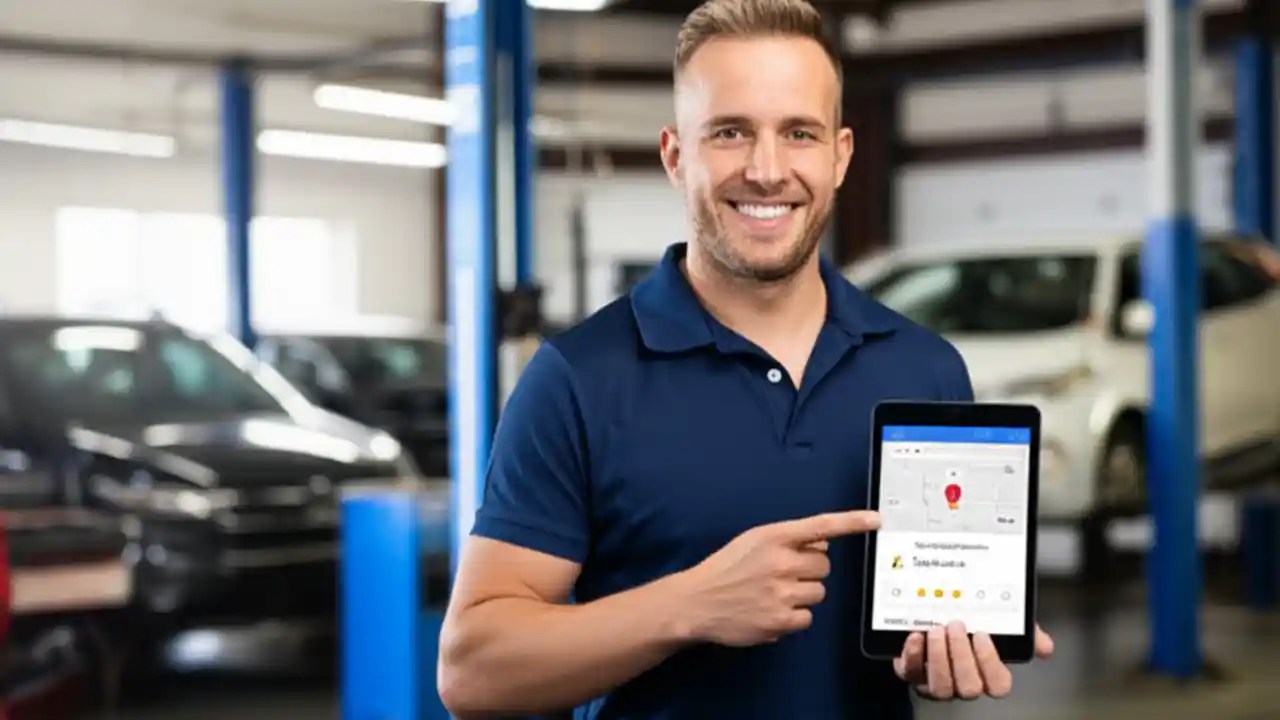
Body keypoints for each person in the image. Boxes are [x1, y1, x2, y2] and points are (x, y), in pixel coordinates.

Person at [437, 1, 1053, 718]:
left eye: (799, 133)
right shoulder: (578, 378)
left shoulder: (927, 370)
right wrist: (691, 604)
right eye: (730, 132)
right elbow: (472, 671)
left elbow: (930, 609)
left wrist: (942, 648)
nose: (767, 170)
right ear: (676, 155)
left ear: (840, 156)